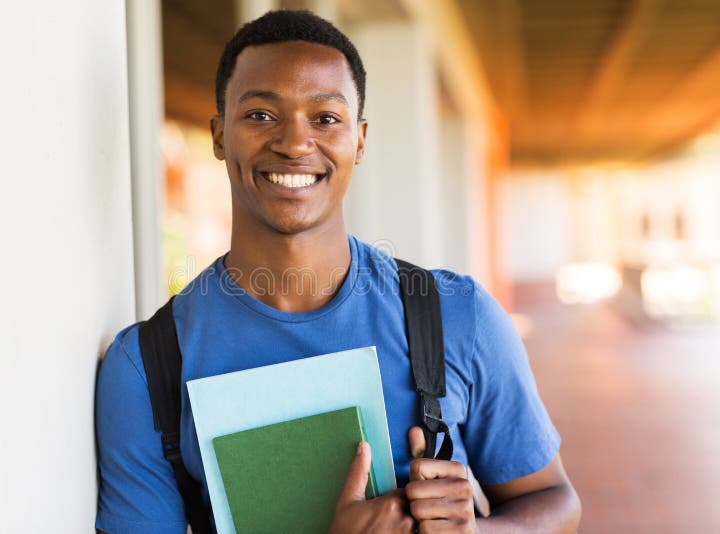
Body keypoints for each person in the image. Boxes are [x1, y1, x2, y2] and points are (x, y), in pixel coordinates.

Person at [96, 9, 581, 534]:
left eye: (325, 118)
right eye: (260, 115)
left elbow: (555, 501)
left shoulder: (456, 316)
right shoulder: (145, 368)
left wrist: (476, 532)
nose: (294, 143)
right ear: (218, 136)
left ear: (361, 140)